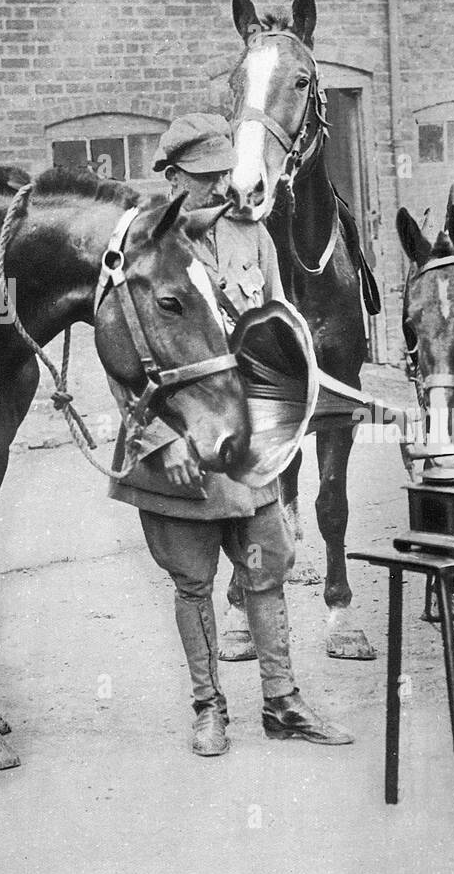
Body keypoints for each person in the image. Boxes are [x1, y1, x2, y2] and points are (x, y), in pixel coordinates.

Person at [107, 113, 353, 757]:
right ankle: (208, 707)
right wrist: (160, 438)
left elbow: (272, 333)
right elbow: (119, 358)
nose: (220, 187)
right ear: (171, 177)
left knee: (267, 570)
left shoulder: (254, 239)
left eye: (224, 173)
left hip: (246, 446)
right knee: (193, 582)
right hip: (176, 452)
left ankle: (282, 702)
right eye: (203, 176)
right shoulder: (139, 243)